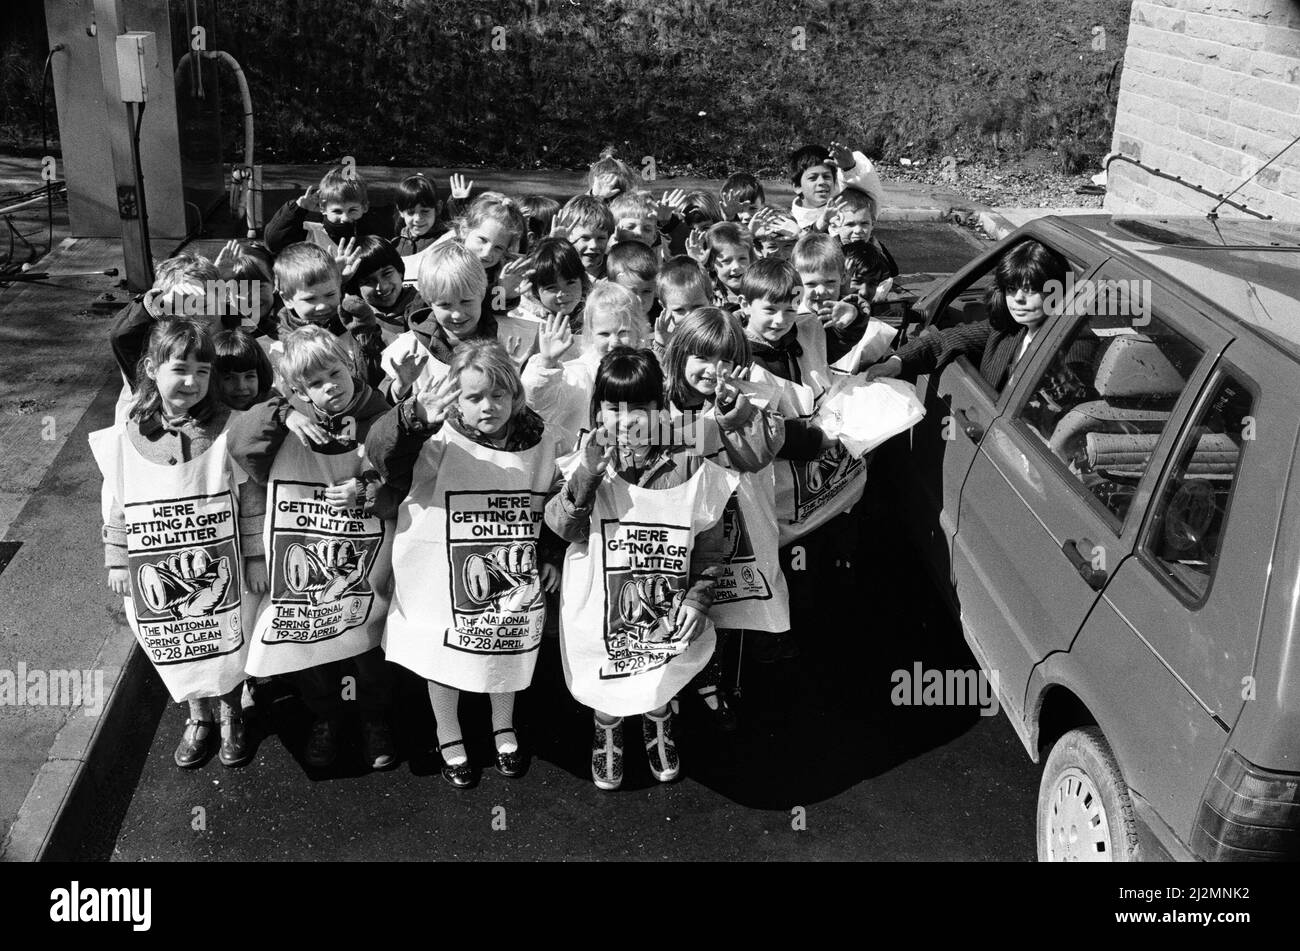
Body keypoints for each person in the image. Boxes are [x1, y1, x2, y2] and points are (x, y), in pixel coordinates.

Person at [367, 340, 563, 788]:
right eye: (474, 397)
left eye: (499, 395)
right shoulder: (435, 434)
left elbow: (555, 496)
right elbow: (383, 457)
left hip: (510, 565)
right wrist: (411, 416)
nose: (488, 406)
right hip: (439, 565)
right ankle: (449, 733)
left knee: (504, 638)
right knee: (444, 649)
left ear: (516, 395)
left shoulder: (540, 438)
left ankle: (503, 724)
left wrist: (550, 551)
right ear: (457, 397)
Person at [545, 348, 739, 791]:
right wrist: (589, 474)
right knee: (606, 674)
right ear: (598, 410)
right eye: (614, 408)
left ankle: (659, 722)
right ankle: (606, 729)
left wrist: (698, 597)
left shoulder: (688, 464)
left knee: (659, 671)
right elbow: (563, 528)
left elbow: (710, 543)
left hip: (664, 599)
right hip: (602, 600)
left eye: (641, 408)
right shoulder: (585, 458)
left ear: (660, 408)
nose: (627, 419)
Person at [91, 321, 264, 769]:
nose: (191, 382)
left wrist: (257, 556)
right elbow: (120, 494)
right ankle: (198, 716)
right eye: (180, 369)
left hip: (221, 563)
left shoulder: (228, 425)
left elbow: (249, 499)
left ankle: (231, 714)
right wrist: (118, 558)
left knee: (226, 637)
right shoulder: (134, 427)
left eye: (203, 372)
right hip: (159, 564)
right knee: (178, 640)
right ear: (151, 367)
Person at [226, 325, 399, 771]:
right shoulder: (291, 412)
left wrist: (364, 489)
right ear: (297, 389)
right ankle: (326, 716)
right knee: (308, 637)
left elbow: (400, 476)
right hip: (304, 548)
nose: (329, 388)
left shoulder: (376, 411)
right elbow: (241, 445)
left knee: (366, 642)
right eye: (314, 384)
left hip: (361, 550)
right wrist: (284, 413)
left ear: (350, 364)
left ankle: (374, 718)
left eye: (334, 374)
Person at [662, 307, 788, 728]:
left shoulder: (751, 405)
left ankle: (710, 681)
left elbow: (757, 455)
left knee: (723, 609)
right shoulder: (663, 403)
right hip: (675, 531)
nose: (712, 371)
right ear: (679, 356)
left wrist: (735, 413)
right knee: (674, 605)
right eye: (701, 358)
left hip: (728, 531)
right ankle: (673, 682)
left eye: (724, 362)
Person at [865, 240, 1071, 391]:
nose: (1018, 299)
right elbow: (945, 339)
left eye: (1030, 290)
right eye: (1011, 289)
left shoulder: (1072, 348)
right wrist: (895, 362)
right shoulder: (1007, 329)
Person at [522, 280, 646, 453]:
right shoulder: (581, 373)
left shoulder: (646, 370)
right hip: (585, 463)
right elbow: (539, 403)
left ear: (638, 332)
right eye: (604, 334)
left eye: (623, 332)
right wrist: (546, 363)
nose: (614, 342)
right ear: (590, 334)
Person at [265, 164, 391, 255]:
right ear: (323, 208)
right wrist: (297, 208)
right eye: (337, 211)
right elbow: (274, 241)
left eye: (352, 210)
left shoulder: (374, 236)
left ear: (364, 207)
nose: (345, 218)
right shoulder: (311, 234)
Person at [787, 141, 884, 232]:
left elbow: (874, 200)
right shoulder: (788, 222)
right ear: (797, 187)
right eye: (813, 178)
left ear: (835, 181)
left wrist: (851, 168)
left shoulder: (846, 209)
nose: (822, 182)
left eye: (826, 176)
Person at [554, 194, 614, 283]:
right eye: (585, 238)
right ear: (567, 238)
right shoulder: (558, 267)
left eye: (601, 238)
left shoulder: (614, 269)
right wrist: (554, 246)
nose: (594, 245)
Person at [212, 328, 274, 411]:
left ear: (261, 376)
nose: (241, 386)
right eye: (229, 378)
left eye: (249, 376)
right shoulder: (204, 416)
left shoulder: (275, 406)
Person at [700, 221, 755, 313]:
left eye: (742, 258)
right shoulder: (709, 299)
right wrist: (697, 263)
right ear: (711, 264)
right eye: (726, 261)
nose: (736, 267)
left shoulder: (762, 290)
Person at [392, 174, 449, 257]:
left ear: (438, 208)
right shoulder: (396, 245)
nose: (418, 218)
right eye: (410, 212)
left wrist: (458, 204)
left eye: (425, 211)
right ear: (401, 211)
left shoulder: (445, 242)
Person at [605, 240, 659, 327]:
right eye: (631, 292)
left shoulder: (664, 320)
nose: (640, 300)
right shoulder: (604, 324)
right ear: (612, 288)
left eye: (647, 291)